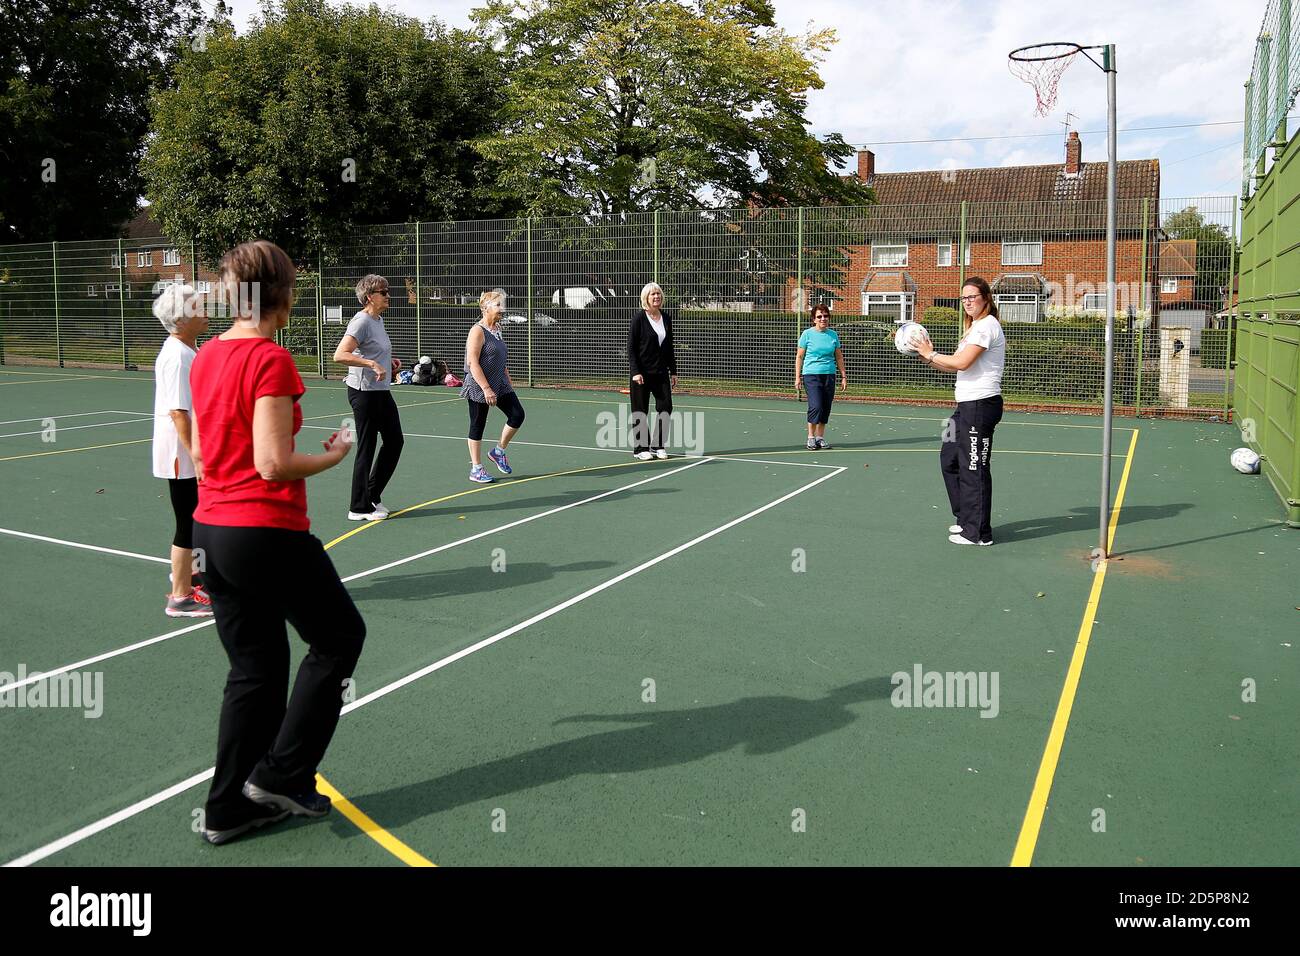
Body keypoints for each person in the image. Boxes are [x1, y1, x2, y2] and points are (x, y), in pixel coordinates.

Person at [189, 240, 365, 845]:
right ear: (280, 295)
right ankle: (284, 774)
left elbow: (210, 450)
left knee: (255, 669)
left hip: (212, 529)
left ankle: (227, 807)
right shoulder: (270, 360)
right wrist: (331, 455)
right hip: (261, 529)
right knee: (340, 636)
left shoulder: (206, 355)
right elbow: (272, 464)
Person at [912, 277, 1006, 546]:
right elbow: (953, 365)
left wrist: (931, 354)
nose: (967, 302)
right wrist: (924, 355)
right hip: (964, 406)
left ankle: (978, 533)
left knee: (974, 466)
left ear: (985, 298)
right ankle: (966, 519)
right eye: (963, 298)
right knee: (950, 459)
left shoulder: (986, 326)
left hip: (980, 405)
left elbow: (963, 363)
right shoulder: (973, 327)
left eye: (972, 297)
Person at [151, 282, 212, 618]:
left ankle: (191, 576)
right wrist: (197, 455)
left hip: (188, 451)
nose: (204, 312)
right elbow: (179, 412)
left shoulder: (187, 350)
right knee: (187, 521)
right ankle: (180, 596)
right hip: (181, 453)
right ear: (182, 317)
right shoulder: (177, 355)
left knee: (195, 517)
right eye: (198, 307)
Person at [332, 274, 403, 521]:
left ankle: (372, 495)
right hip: (363, 394)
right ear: (369, 296)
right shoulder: (360, 322)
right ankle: (358, 507)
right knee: (367, 446)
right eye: (383, 292)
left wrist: (388, 363)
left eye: (387, 290)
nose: (388, 295)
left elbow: (374, 349)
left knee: (395, 441)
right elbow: (340, 355)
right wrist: (370, 362)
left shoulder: (378, 320)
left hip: (381, 391)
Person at [461, 289, 524, 483]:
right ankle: (476, 469)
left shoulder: (497, 330)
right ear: (485, 307)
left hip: (500, 382)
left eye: (502, 304)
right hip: (480, 384)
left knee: (517, 415)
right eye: (498, 305)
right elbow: (473, 362)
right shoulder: (477, 331)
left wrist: (508, 379)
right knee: (477, 424)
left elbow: (499, 359)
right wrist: (486, 389)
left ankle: (498, 451)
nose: (502, 308)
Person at [627, 282, 677, 459]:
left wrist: (674, 371)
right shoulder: (639, 319)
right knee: (640, 410)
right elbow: (631, 348)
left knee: (666, 407)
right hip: (641, 373)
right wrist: (635, 372)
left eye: (658, 294)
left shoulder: (666, 318)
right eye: (652, 294)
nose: (656, 297)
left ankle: (658, 445)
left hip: (661, 372)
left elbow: (669, 347)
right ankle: (641, 449)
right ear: (646, 298)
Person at [794, 304, 847, 449]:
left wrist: (843, 376)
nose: (823, 319)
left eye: (825, 316)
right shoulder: (807, 334)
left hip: (829, 374)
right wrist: (797, 377)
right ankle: (810, 437)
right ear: (814, 319)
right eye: (819, 316)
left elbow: (839, 357)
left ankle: (820, 437)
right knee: (816, 406)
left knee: (825, 407)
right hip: (811, 374)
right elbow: (799, 357)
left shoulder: (833, 335)